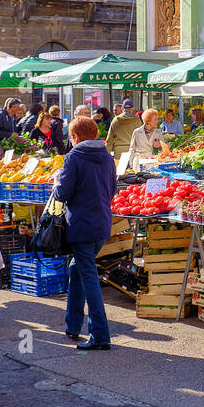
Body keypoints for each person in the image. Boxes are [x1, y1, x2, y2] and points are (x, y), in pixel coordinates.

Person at [52, 116, 118, 350]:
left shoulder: (73, 158)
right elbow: (113, 190)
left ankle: (100, 335)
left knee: (89, 277)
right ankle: (72, 326)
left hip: (81, 226)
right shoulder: (107, 158)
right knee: (76, 269)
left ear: (75, 137)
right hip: (101, 225)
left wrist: (57, 181)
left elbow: (62, 194)